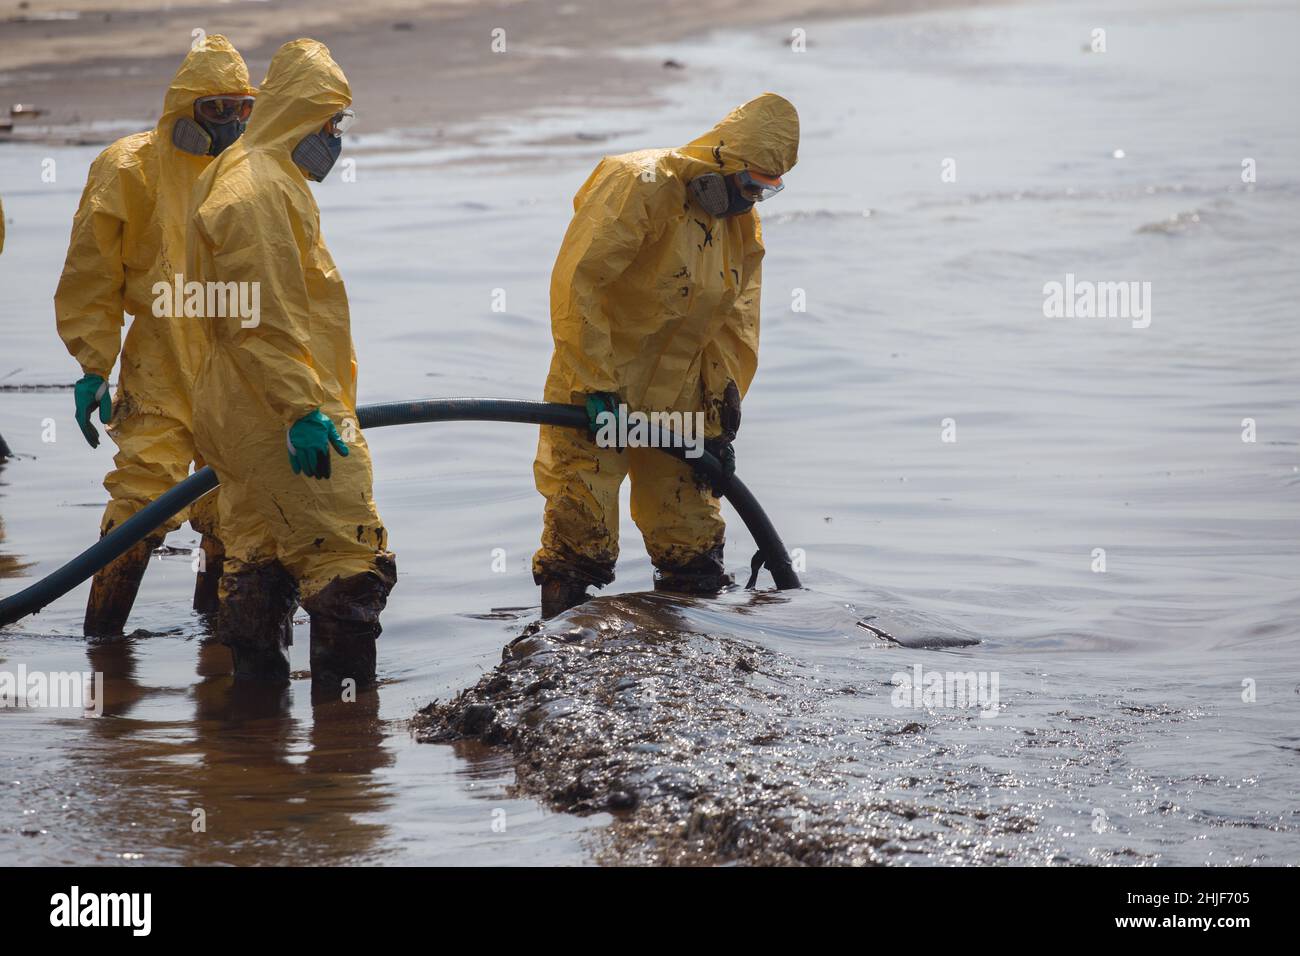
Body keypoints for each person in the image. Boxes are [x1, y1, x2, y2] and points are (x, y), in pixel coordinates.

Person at [532, 93, 799, 617]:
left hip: (679, 399)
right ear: (719, 163)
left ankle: (686, 643)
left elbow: (734, 324)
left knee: (691, 539)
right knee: (580, 532)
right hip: (598, 390)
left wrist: (720, 418)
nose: (750, 201)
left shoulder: (739, 226)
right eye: (748, 185)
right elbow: (579, 282)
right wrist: (594, 385)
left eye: (766, 191)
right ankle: (557, 649)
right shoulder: (638, 183)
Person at [187, 39, 394, 687]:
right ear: (302, 116)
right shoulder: (258, 191)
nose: (335, 138)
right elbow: (262, 320)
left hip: (239, 407)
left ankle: (248, 750)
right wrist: (303, 409)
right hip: (279, 411)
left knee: (259, 565)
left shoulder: (248, 172)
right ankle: (346, 758)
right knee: (349, 564)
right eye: (330, 123)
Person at [54, 36, 255, 636]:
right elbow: (92, 273)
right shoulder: (127, 168)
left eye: (242, 110)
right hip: (161, 358)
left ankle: (224, 647)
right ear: (184, 108)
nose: (229, 124)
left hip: (237, 356)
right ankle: (103, 636)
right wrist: (94, 364)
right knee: (144, 493)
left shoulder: (249, 170)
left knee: (237, 505)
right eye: (216, 109)